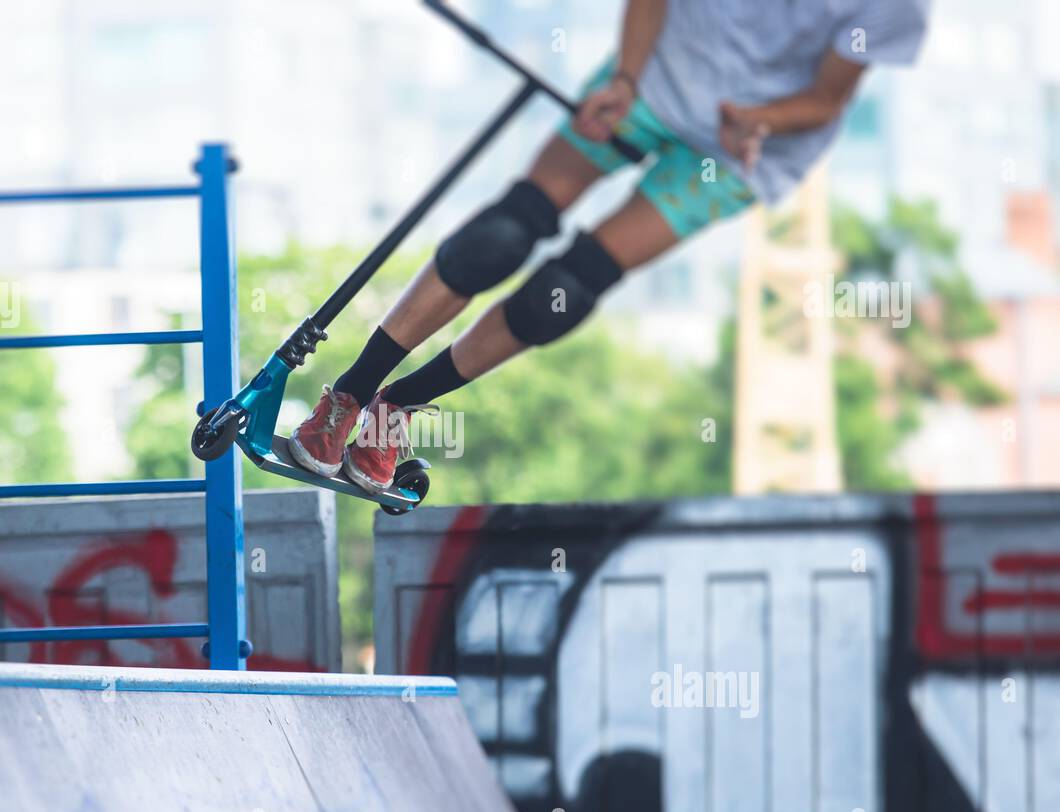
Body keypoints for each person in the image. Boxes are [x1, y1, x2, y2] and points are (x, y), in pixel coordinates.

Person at [289, 0, 930, 494]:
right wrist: (625, 77)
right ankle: (347, 396)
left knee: (563, 294)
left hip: (740, 147)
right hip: (653, 77)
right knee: (505, 233)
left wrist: (762, 119)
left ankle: (395, 407)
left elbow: (827, 96)